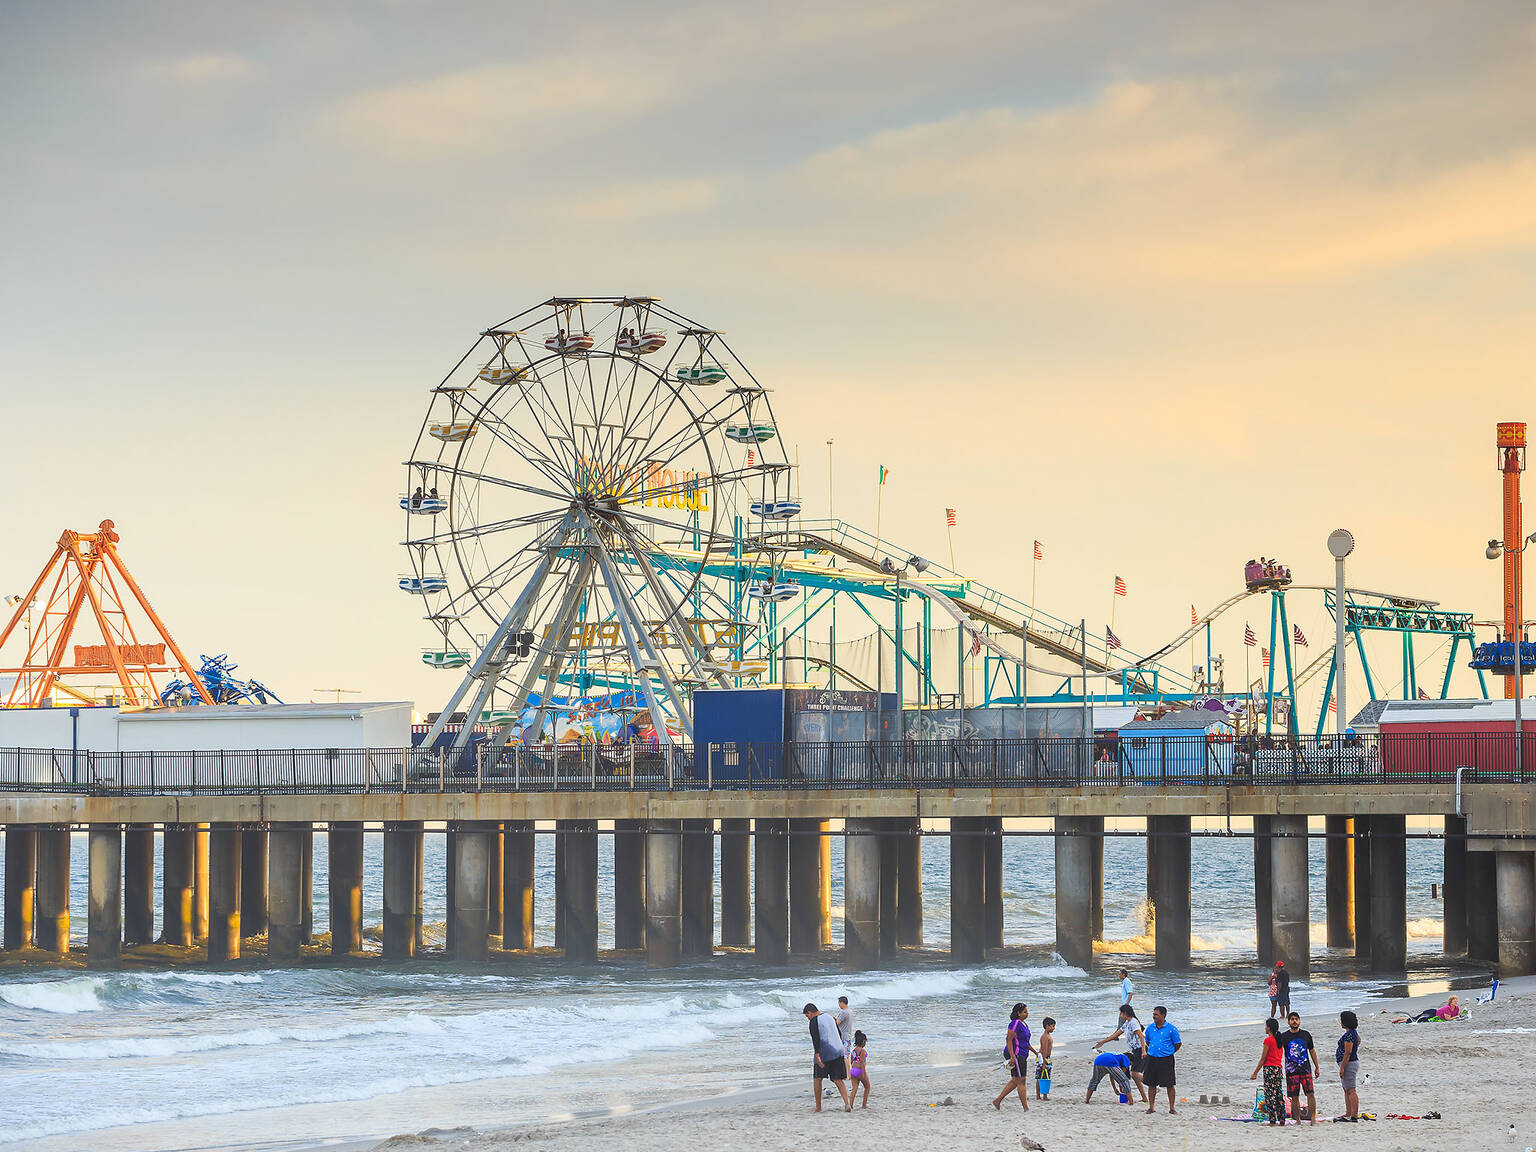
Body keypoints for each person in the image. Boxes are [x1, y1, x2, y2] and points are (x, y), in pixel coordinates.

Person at [1094, 1004, 1148, 1103]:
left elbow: (1141, 1037)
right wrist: (1103, 1042)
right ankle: (1144, 1098)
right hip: (1135, 1051)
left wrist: (1144, 1051)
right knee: (1135, 1075)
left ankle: (1152, 1085)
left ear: (1125, 1013)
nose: (1120, 1015)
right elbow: (1116, 1034)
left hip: (1140, 1050)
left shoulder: (1133, 1022)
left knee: (1135, 1074)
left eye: (1121, 1013)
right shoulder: (1127, 1023)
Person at [803, 1003, 852, 1112]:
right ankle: (847, 1103)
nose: (808, 1018)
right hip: (838, 1050)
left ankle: (818, 1107)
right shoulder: (829, 1017)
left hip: (825, 1052)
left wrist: (817, 1055)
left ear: (810, 1013)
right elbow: (838, 1033)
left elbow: (815, 1039)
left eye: (807, 1016)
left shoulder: (814, 1021)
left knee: (817, 1078)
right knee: (837, 1079)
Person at [991, 1002, 1034, 1111]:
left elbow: (1025, 1042)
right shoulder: (1015, 1023)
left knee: (1016, 1080)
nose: (1027, 1014)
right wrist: (1012, 1056)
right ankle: (1025, 1108)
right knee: (1021, 1080)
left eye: (1027, 1012)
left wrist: (1035, 1052)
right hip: (1015, 1053)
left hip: (1023, 1054)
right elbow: (1008, 1039)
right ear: (1018, 1013)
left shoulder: (1024, 1024)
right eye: (1024, 1012)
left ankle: (997, 1100)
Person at [1141, 1005, 1181, 1115]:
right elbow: (1148, 1041)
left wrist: (1168, 1052)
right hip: (1152, 1058)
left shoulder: (1171, 1029)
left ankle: (1172, 1108)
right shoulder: (1150, 1028)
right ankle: (1151, 1107)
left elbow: (1177, 1043)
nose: (1154, 1016)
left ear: (1163, 1015)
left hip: (1166, 1059)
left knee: (1169, 1084)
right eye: (1153, 1014)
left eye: (1156, 1014)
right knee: (1151, 1083)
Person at [1282, 1011, 1318, 1125]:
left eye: (1296, 1019)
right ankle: (1297, 1120)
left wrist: (1317, 1067)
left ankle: (1312, 1118)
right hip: (1291, 1071)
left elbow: (1312, 1051)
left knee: (1310, 1094)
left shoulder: (1306, 1035)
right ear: (1288, 1022)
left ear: (1299, 1021)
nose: (1294, 1021)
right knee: (1294, 1096)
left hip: (1305, 1069)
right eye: (1292, 1019)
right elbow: (1278, 1052)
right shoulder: (1284, 1036)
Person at [1249, 1017, 1285, 1126]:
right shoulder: (1280, 1039)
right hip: (1278, 1069)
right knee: (1278, 1093)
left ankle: (1273, 1119)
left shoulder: (1268, 1040)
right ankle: (1282, 1118)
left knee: (1270, 1094)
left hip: (1269, 1069)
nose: (1264, 1028)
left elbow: (1263, 1058)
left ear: (1269, 1028)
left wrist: (1255, 1072)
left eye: (1266, 1026)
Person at [1335, 1010, 1361, 1122]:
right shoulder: (1353, 1033)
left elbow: (1348, 1052)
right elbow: (1359, 1041)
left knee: (1351, 1089)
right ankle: (1349, 1112)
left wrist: (1342, 1067)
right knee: (1346, 1089)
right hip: (1350, 1063)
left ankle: (1354, 1115)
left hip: (1349, 1064)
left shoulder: (1349, 1035)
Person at [850, 1029, 871, 1108]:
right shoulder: (863, 1051)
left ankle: (850, 1105)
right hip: (860, 1070)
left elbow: (851, 1061)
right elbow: (862, 1062)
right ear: (863, 1042)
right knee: (867, 1087)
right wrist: (864, 1073)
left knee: (854, 1089)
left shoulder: (853, 1051)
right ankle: (864, 1105)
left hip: (853, 1070)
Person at [1035, 1017, 1054, 1100]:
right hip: (1044, 1058)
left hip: (1047, 1058)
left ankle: (1043, 1095)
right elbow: (1044, 1049)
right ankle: (1040, 1095)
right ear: (1047, 1026)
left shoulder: (1048, 1036)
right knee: (1041, 1077)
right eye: (1052, 1026)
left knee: (1045, 1076)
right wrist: (1043, 1063)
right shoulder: (1045, 1036)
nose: (1054, 1028)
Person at [833, 996, 854, 1060]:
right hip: (848, 1036)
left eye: (839, 1003)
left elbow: (837, 1023)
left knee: (844, 1058)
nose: (839, 1005)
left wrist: (833, 1020)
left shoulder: (843, 1012)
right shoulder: (850, 1011)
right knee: (846, 1057)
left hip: (843, 1037)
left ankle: (846, 1070)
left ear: (842, 1002)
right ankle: (847, 1070)